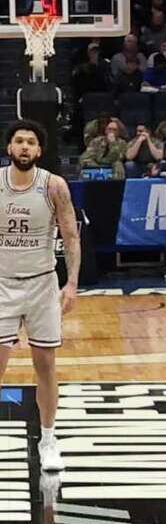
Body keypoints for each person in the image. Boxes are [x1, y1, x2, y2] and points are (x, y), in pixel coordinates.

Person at [0, 122, 80, 474]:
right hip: (2, 283)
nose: (24, 147)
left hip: (42, 284)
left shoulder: (53, 185)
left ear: (39, 151)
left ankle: (48, 439)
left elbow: (71, 235)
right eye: (19, 141)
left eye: (31, 142)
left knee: (45, 365)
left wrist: (73, 282)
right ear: (9, 148)